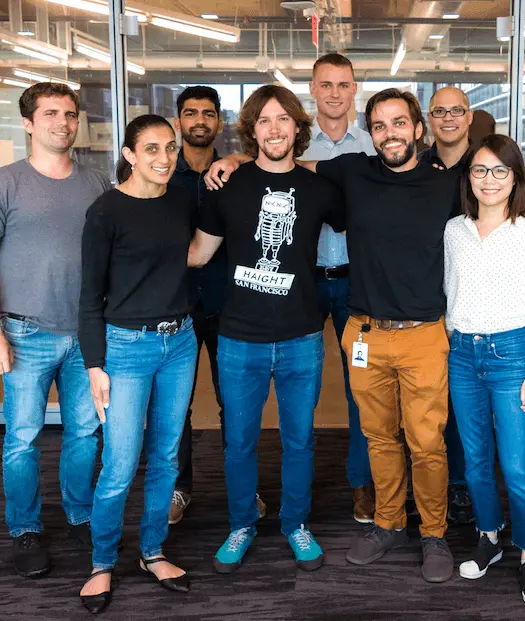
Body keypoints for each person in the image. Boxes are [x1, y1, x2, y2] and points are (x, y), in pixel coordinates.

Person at [203, 88, 525, 583]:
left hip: (424, 336)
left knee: (426, 441)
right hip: (365, 331)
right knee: (378, 437)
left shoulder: (450, 182)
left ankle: (433, 531)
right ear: (370, 134)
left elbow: (497, 198)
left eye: (399, 123)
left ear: (418, 129)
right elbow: (283, 164)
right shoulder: (351, 171)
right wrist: (238, 158)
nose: (389, 133)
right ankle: (389, 522)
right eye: (379, 126)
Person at [188, 85, 344, 575]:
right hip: (238, 339)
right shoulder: (225, 185)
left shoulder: (321, 189)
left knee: (300, 440)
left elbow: (370, 222)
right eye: (264, 121)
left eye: (284, 120)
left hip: (301, 337)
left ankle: (296, 523)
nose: (274, 129)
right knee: (239, 441)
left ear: (299, 128)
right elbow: (199, 253)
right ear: (251, 130)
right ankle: (241, 525)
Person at [78, 115, 197, 613]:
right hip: (125, 348)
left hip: (180, 343)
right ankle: (102, 563)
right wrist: (94, 364)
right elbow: (89, 296)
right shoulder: (105, 211)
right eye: (151, 149)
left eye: (170, 148)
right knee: (120, 464)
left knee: (167, 457)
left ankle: (152, 552)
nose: (164, 159)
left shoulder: (180, 200)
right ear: (128, 155)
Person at [0, 82, 108, 578]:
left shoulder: (95, 184)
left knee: (84, 435)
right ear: (28, 122)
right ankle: (25, 529)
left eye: (69, 113)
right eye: (50, 114)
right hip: (25, 332)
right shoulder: (8, 183)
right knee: (21, 438)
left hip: (86, 333)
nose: (62, 123)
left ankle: (80, 515)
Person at [445, 134, 525, 607]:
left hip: (514, 356)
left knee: (517, 466)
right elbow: (449, 293)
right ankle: (489, 536)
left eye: (500, 171)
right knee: (474, 461)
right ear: (468, 178)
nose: (489, 181)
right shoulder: (453, 230)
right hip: (463, 356)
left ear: (515, 178)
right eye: (480, 171)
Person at [168, 85, 266, 525]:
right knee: (175, 407)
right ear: (179, 121)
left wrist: (241, 159)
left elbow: (266, 162)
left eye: (209, 114)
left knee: (236, 403)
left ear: (220, 123)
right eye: (191, 113)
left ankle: (245, 488)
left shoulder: (237, 173)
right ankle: (178, 488)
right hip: (175, 306)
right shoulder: (161, 172)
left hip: (230, 304)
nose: (200, 121)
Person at [304, 53, 376, 524]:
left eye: (343, 85)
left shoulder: (375, 148)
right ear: (312, 89)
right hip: (303, 284)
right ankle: (296, 490)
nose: (334, 93)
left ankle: (363, 483)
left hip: (358, 283)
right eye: (325, 84)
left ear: (355, 91)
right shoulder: (286, 144)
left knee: (361, 387)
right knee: (298, 387)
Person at [419, 85, 475, 526]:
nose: (449, 118)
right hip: (426, 302)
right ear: (428, 120)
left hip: (477, 304)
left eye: (457, 110)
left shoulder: (488, 165)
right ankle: (424, 487)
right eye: (440, 111)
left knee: (462, 406)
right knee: (427, 406)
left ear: (470, 115)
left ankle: (461, 488)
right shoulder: (415, 166)